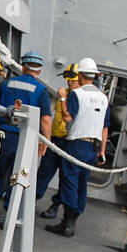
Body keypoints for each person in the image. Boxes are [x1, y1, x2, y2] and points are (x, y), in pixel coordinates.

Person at [0, 50, 52, 219]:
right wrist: (45, 140)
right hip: (25, 138)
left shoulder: (6, 83)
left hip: (3, 136)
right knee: (18, 175)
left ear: (23, 66)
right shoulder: (41, 90)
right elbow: (46, 119)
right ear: (39, 70)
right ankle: (10, 214)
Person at [45, 56, 110, 238]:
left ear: (81, 75)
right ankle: (74, 218)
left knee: (69, 181)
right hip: (93, 147)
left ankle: (68, 222)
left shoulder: (77, 94)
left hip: (76, 144)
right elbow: (105, 128)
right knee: (82, 183)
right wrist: (102, 152)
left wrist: (64, 99)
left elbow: (67, 118)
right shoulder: (103, 98)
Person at [38, 64, 81, 219]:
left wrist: (64, 99)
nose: (69, 82)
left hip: (69, 142)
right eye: (68, 79)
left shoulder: (78, 97)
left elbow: (68, 117)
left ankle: (56, 205)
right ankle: (31, 198)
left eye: (73, 79)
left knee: (66, 176)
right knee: (44, 170)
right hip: (55, 139)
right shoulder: (63, 93)